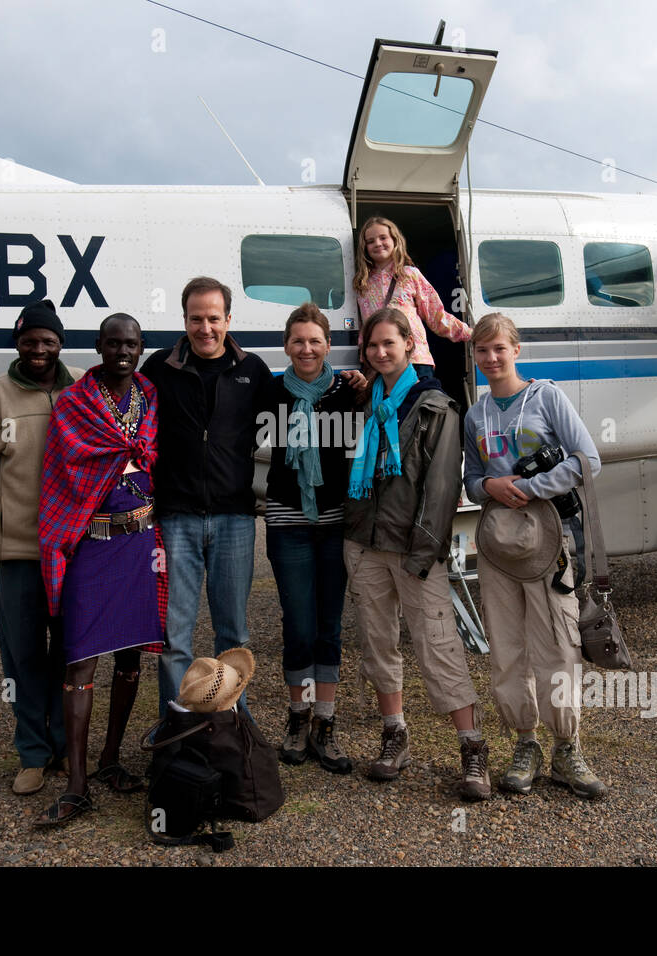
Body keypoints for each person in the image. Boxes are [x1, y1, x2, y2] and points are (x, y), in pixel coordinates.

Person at [343, 307, 491, 801]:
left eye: (390, 343)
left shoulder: (435, 407)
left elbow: (443, 487)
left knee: (437, 643)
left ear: (410, 344)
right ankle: (395, 735)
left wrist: (425, 553)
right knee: (377, 642)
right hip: (364, 543)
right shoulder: (366, 402)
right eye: (372, 346)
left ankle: (472, 749)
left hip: (413, 548)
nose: (380, 353)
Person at [462, 312, 609, 800]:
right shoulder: (475, 415)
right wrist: (489, 486)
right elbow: (471, 480)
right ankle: (525, 743)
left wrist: (528, 487)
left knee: (557, 647)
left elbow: (587, 459)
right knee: (506, 648)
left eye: (499, 348)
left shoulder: (545, 396)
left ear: (516, 350)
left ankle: (567, 746)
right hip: (498, 545)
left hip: (549, 539)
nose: (491, 358)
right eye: (482, 351)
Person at [33, 313, 167, 825]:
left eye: (131, 344)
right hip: (92, 543)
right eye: (113, 344)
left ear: (140, 347)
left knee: (131, 657)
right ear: (98, 347)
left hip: (141, 544)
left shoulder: (151, 398)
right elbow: (66, 470)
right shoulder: (74, 405)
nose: (122, 352)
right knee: (81, 660)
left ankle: (111, 760)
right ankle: (76, 783)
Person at [0, 298, 81, 796]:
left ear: (60, 344)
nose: (39, 350)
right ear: (18, 344)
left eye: (49, 341)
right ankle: (32, 753)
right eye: (30, 341)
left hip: (76, 553)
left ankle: (68, 747)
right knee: (24, 659)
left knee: (72, 657)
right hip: (21, 555)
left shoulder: (82, 392)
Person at [141, 276, 274, 718]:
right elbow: (123, 408)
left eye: (214, 318)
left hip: (235, 518)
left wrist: (347, 384)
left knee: (232, 634)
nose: (205, 328)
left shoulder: (252, 371)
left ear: (228, 319)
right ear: (184, 319)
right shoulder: (159, 368)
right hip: (175, 518)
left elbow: (294, 406)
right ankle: (174, 728)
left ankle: (235, 725)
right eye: (196, 318)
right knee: (174, 635)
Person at [262, 302, 366, 773]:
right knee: (299, 625)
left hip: (333, 524)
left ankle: (326, 721)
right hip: (288, 523)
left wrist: (363, 382)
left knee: (329, 625)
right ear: (287, 345)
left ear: (328, 345)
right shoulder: (268, 392)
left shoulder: (349, 392)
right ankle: (297, 716)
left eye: (315, 340)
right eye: (298, 340)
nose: (307, 348)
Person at [353, 216, 472, 380]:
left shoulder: (410, 275)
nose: (378, 243)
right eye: (371, 241)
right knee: (383, 406)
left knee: (418, 404)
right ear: (364, 247)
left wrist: (470, 333)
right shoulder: (361, 283)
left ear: (395, 240)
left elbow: (436, 316)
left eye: (383, 238)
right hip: (379, 361)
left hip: (415, 358)